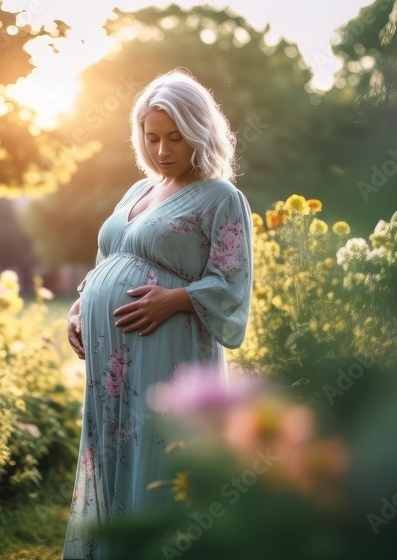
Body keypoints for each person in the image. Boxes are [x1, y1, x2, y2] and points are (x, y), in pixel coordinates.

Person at [62, 69, 254, 560]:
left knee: (162, 455)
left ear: (199, 133)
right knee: (113, 453)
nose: (163, 150)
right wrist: (84, 301)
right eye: (152, 137)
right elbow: (111, 258)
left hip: (168, 350)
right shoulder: (137, 191)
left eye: (176, 137)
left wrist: (175, 298)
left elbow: (232, 281)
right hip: (110, 363)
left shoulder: (221, 198)